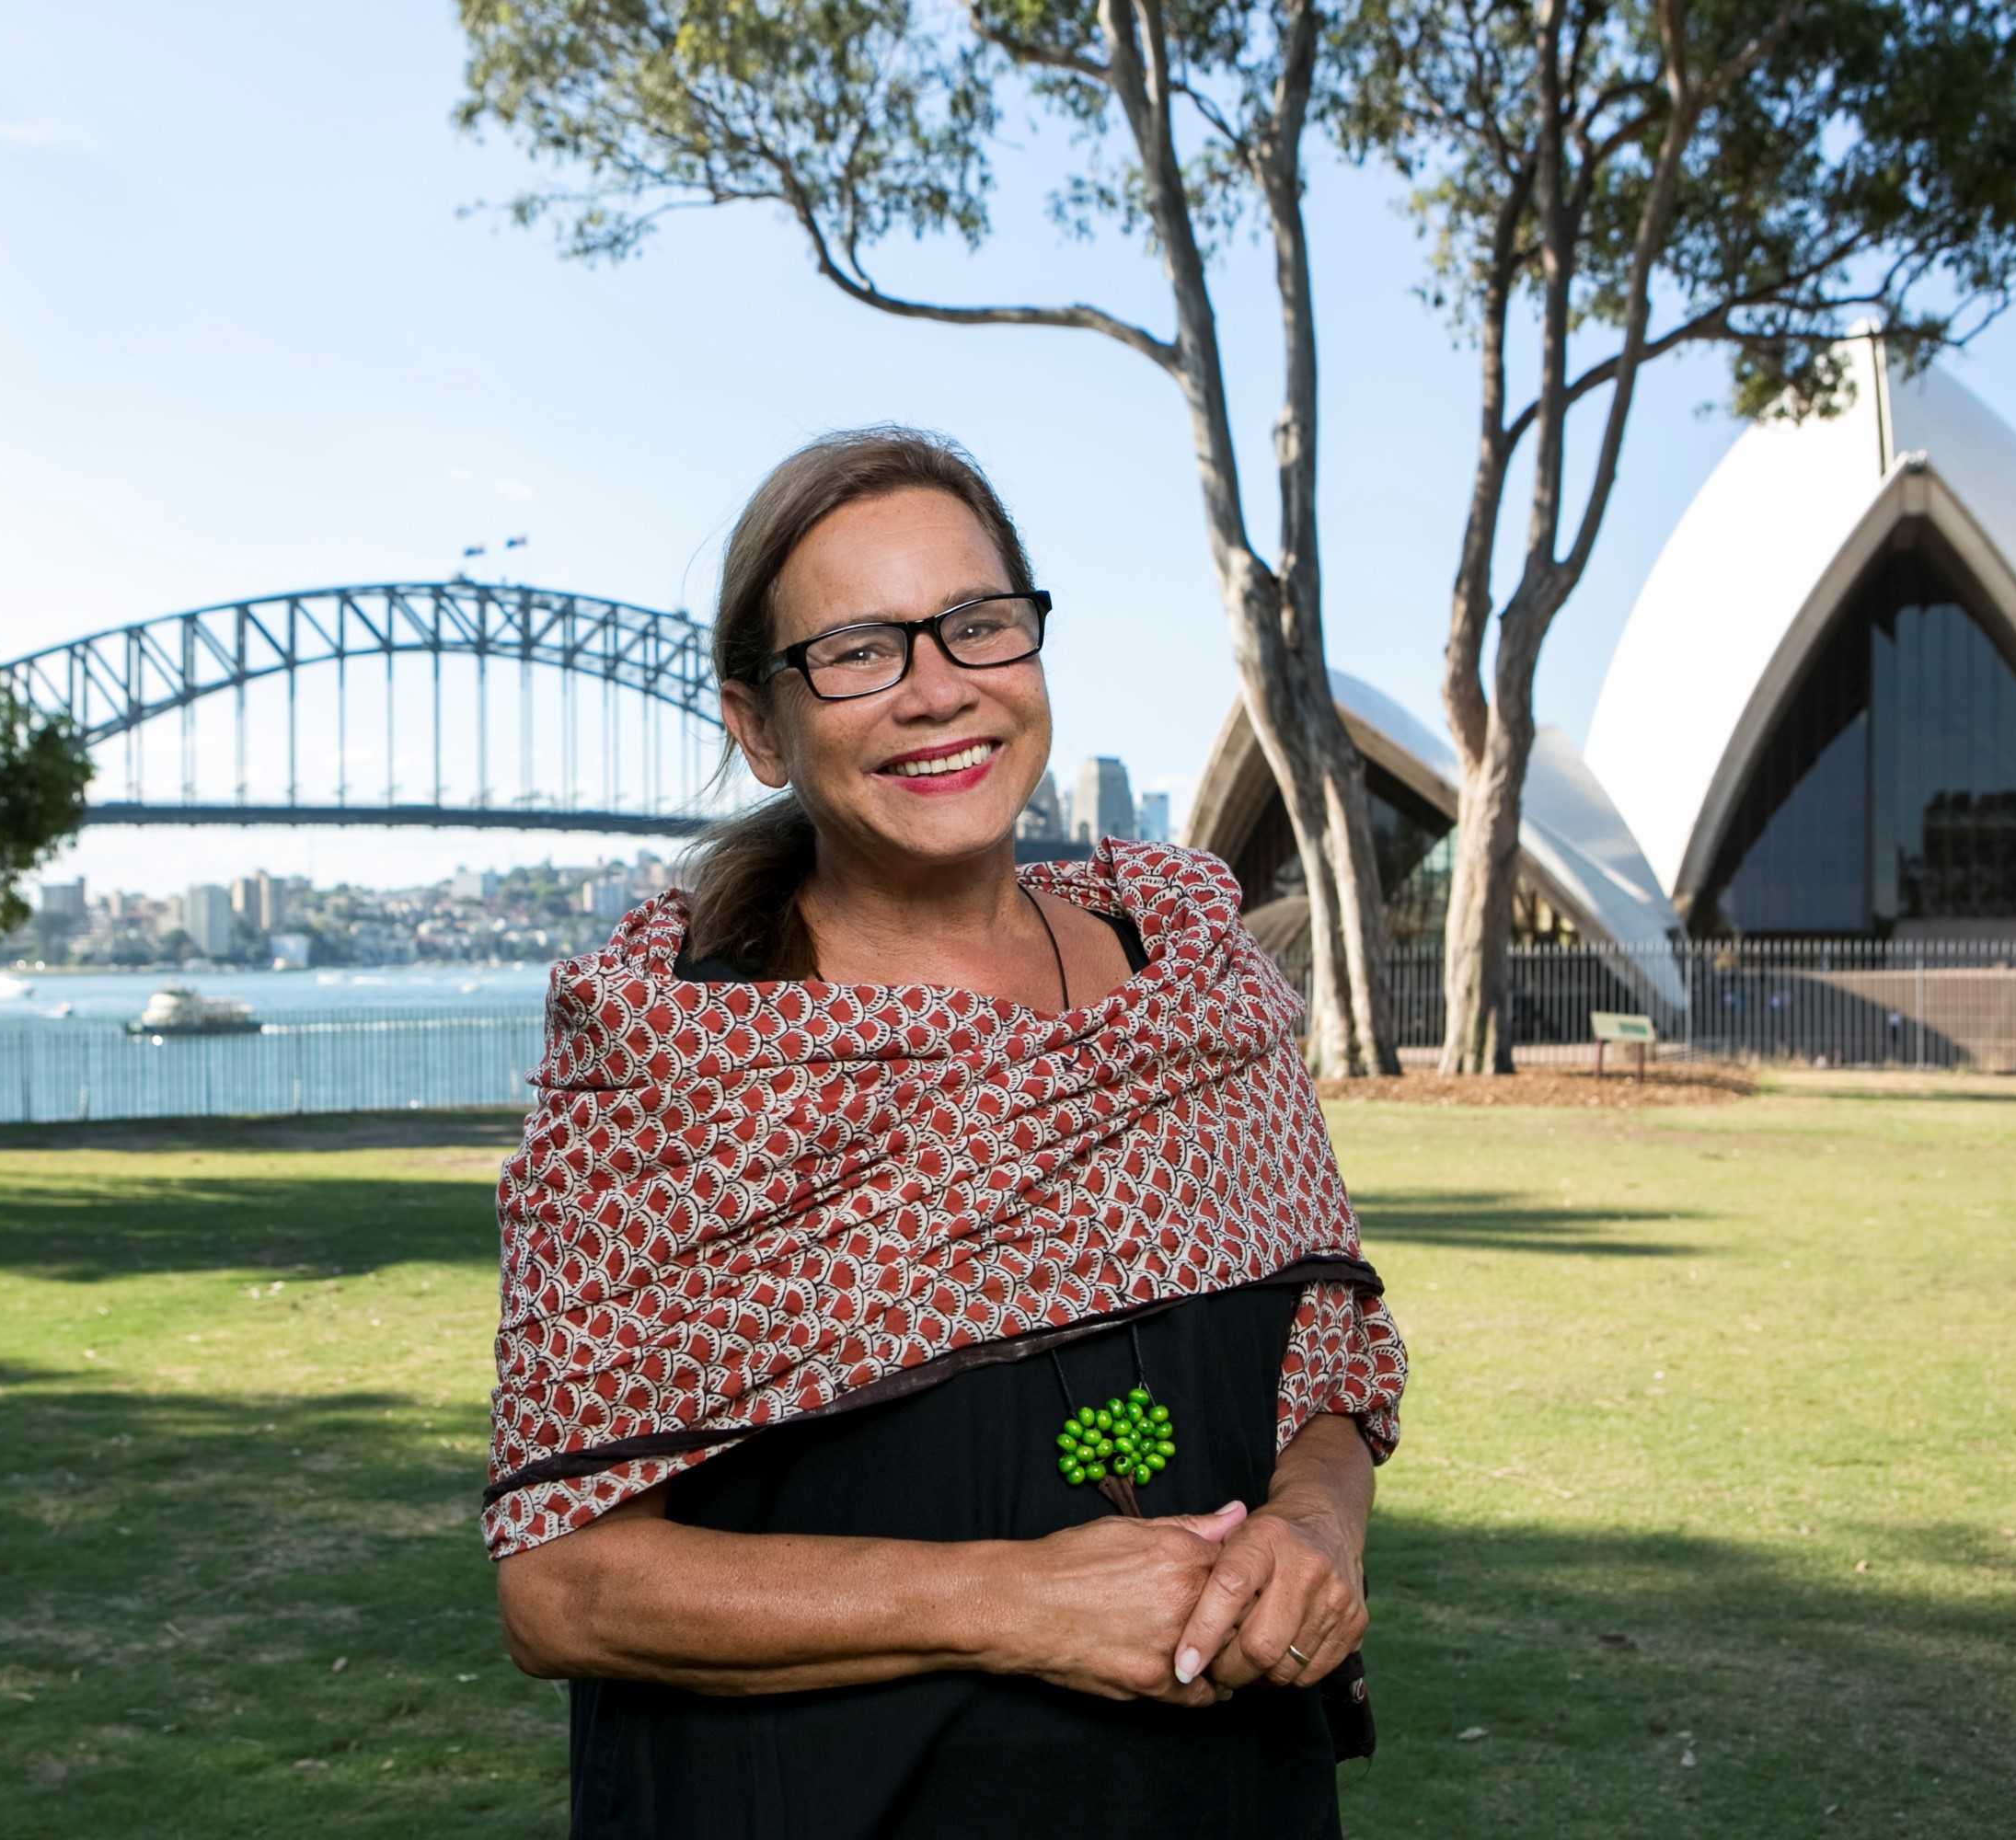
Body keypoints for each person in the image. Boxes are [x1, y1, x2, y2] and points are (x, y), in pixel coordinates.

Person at [484, 427, 1408, 1838]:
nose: (937, 692)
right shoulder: (674, 1061)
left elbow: (1324, 1371)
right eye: (859, 650)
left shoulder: (1196, 986)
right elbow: (563, 1590)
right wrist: (1012, 1605)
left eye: (977, 626)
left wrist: (1315, 1528)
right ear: (757, 723)